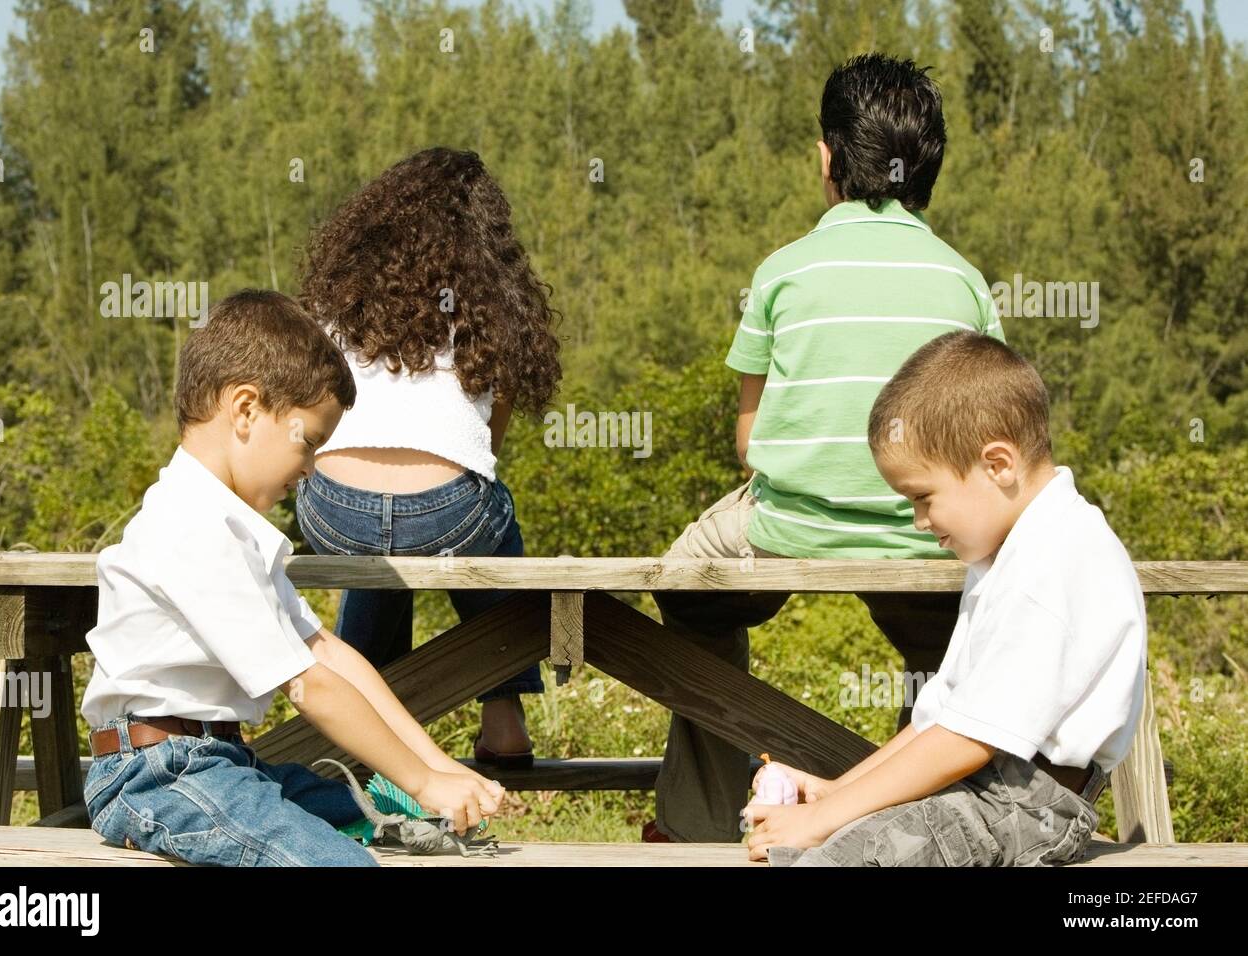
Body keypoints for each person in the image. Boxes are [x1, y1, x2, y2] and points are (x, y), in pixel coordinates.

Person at [648, 52, 1005, 843]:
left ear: (827, 158)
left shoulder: (783, 273)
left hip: (786, 528)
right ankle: (915, 816)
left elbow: (752, 444)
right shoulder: (965, 282)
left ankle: (701, 819)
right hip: (929, 535)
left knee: (684, 589)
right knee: (944, 644)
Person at [81, 290, 504, 866]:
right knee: (338, 862)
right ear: (246, 409)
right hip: (153, 776)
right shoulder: (189, 523)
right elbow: (308, 686)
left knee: (387, 809)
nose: (309, 469)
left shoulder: (233, 527)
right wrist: (425, 783)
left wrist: (432, 769)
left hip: (221, 764)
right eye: (308, 442)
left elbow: (329, 654)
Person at [747, 331, 1146, 866]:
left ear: (998, 464)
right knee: (825, 843)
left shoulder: (1055, 559)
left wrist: (821, 820)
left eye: (922, 497)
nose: (919, 521)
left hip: (1023, 805)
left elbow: (966, 740)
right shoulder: (1012, 552)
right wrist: (834, 794)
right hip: (986, 792)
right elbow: (940, 719)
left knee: (839, 859)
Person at [295, 147, 562, 769]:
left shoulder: (342, 297)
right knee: (487, 527)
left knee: (380, 557)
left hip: (334, 510)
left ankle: (357, 739)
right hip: (448, 513)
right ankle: (505, 715)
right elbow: (485, 454)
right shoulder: (491, 309)